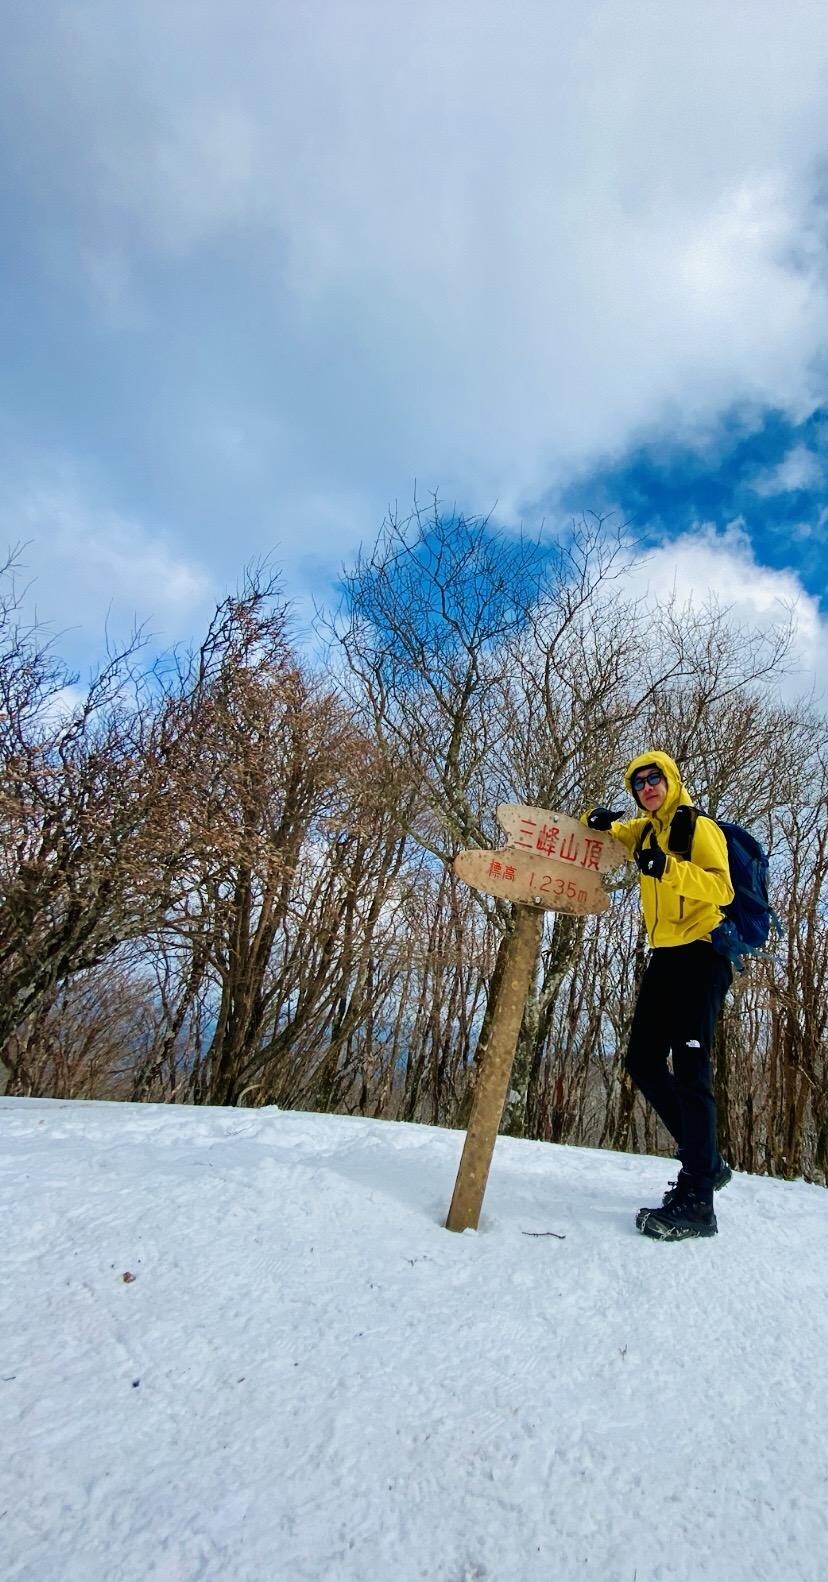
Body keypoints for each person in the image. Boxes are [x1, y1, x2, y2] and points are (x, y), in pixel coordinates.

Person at [585, 750, 734, 1241]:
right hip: (665, 957)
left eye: (655, 779)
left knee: (692, 1072)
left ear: (671, 781)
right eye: (639, 783)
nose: (647, 787)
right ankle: (706, 1160)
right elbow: (626, 836)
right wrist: (605, 823)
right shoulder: (646, 830)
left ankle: (698, 1201)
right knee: (643, 1061)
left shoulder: (698, 827)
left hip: (702, 954)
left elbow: (722, 889)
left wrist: (667, 868)